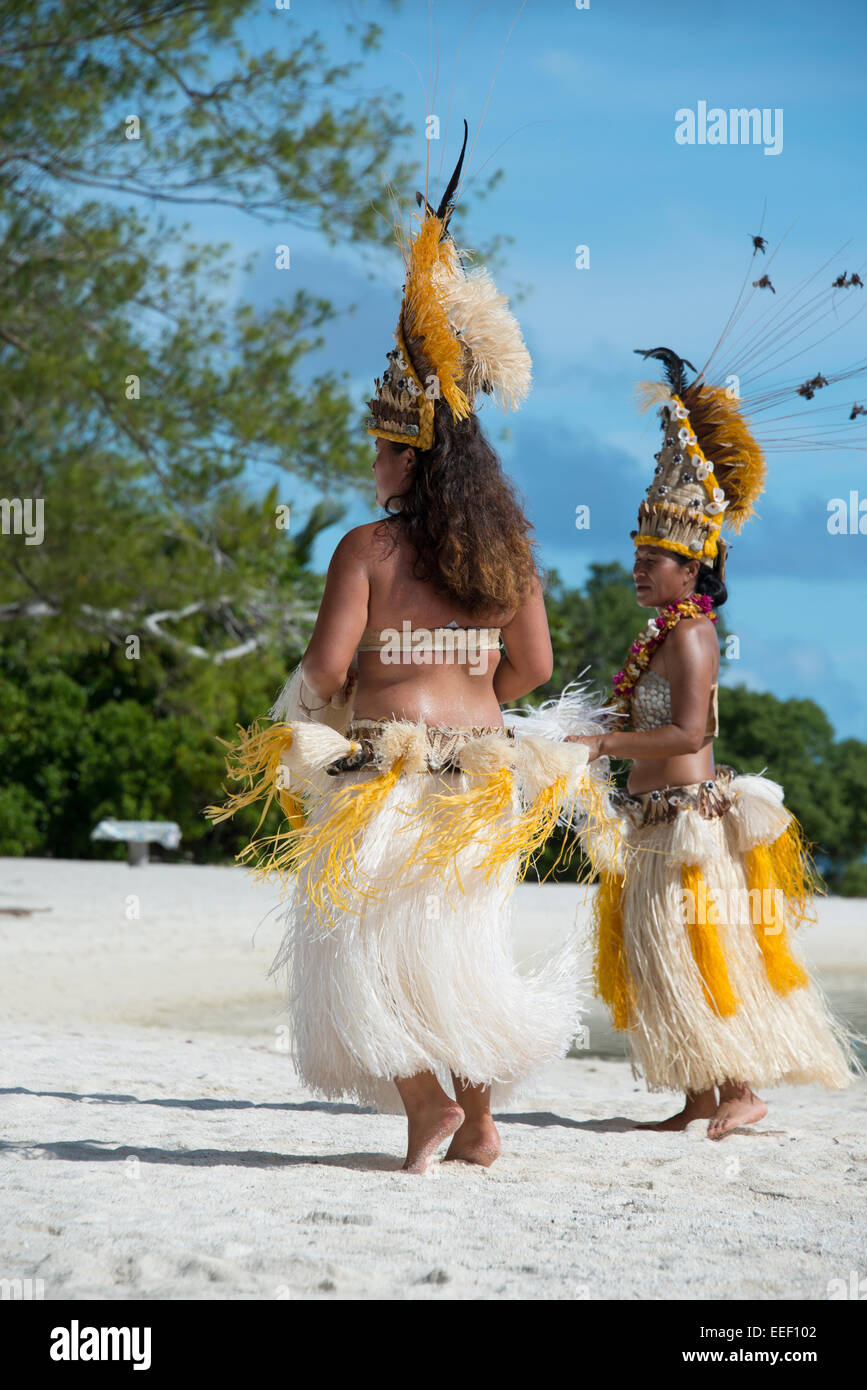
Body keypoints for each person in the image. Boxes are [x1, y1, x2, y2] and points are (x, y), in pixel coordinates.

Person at [208, 128, 611, 1174]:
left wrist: (313, 730)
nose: (371, 459)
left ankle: (427, 1104)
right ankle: (476, 1122)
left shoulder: (369, 548)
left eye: (380, 444)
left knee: (365, 953)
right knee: (459, 957)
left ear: (406, 453)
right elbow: (529, 668)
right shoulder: (507, 551)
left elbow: (330, 673)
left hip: (391, 779)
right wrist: (469, 685)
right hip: (482, 778)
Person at [570, 346, 859, 1139]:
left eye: (650, 560)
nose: (636, 571)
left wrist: (605, 746)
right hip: (655, 818)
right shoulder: (661, 631)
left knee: (702, 951)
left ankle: (738, 1089)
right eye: (634, 557)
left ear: (689, 565)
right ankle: (699, 1096)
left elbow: (690, 731)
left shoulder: (692, 634)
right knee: (661, 956)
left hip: (687, 821)